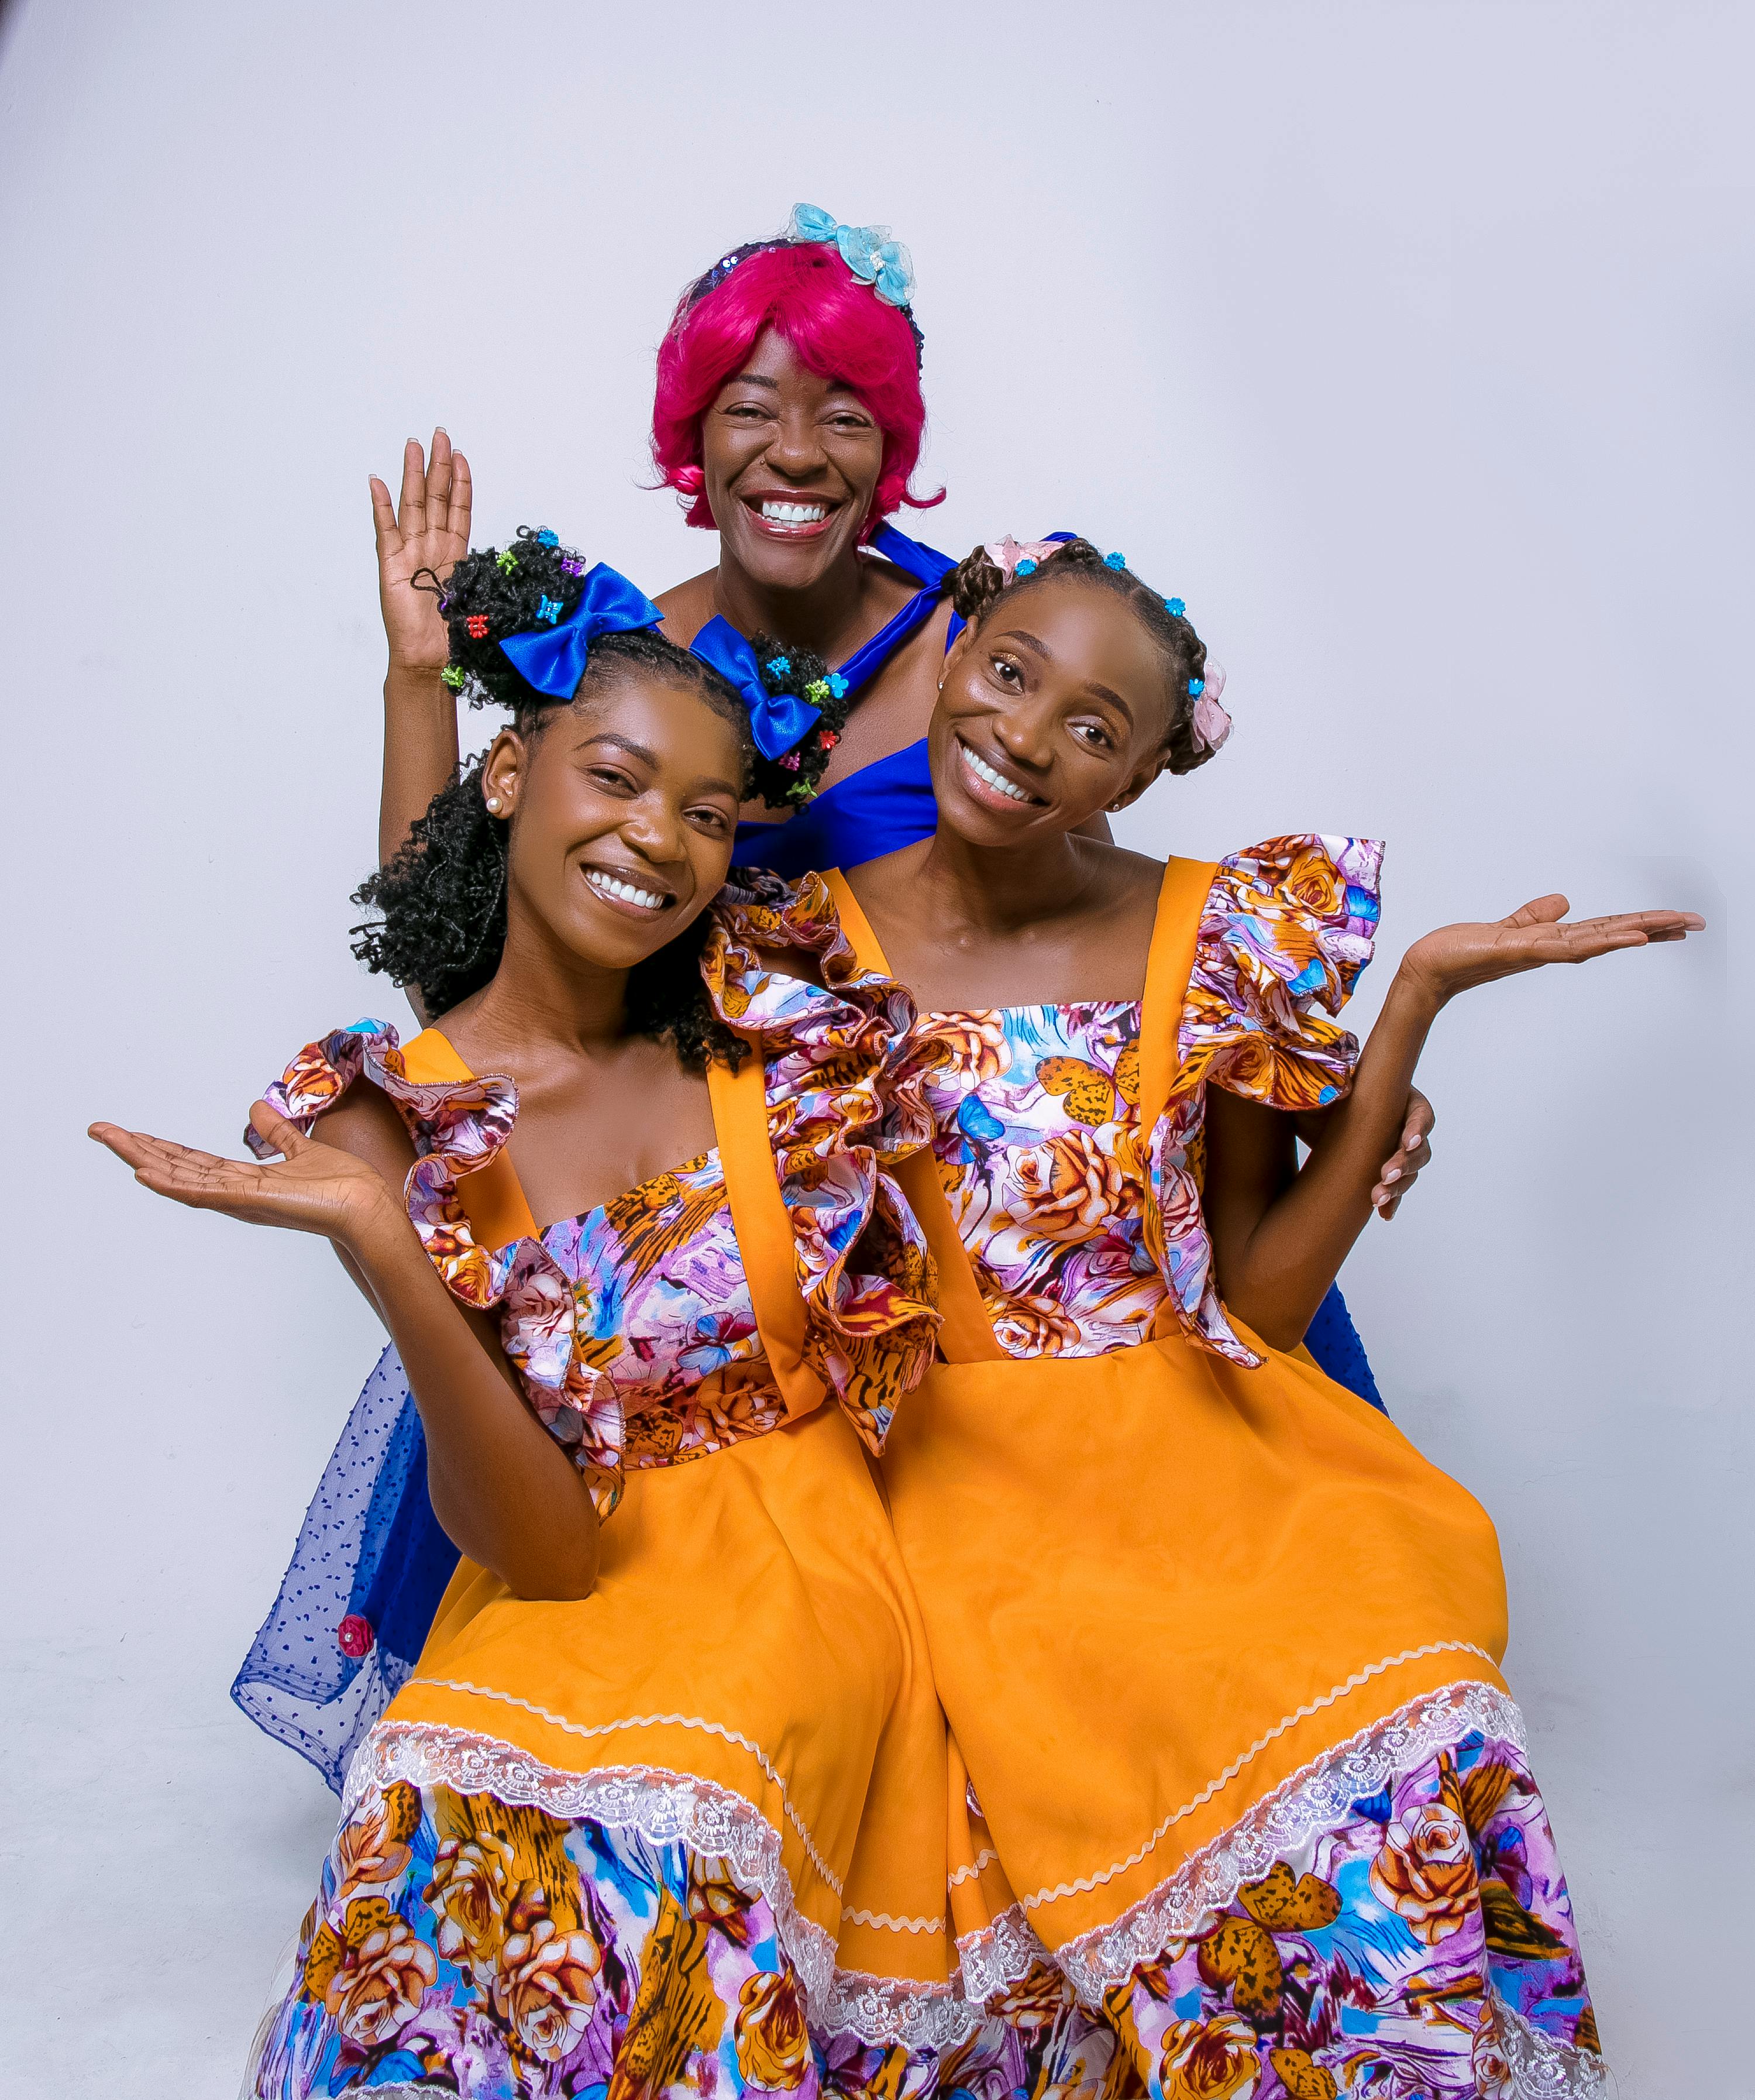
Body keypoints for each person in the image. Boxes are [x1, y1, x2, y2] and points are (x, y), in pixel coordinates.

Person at [92, 531, 979, 2096]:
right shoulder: (396, 1125)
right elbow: (549, 1550)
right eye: (621, 779)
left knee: (668, 1830)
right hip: (566, 1584)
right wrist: (379, 1238)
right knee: (430, 1813)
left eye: (708, 814)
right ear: (511, 776)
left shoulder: (764, 1037)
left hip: (810, 1566)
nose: (663, 837)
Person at [820, 534, 1702, 2097]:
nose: (1028, 733)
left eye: (1097, 725)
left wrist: (1410, 1004)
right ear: (950, 658)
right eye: (1010, 671)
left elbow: (1263, 1302)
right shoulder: (796, 950)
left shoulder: (1216, 932)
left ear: (1150, 774)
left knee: (1378, 1635)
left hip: (1191, 1445)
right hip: (939, 1467)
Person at [370, 207, 1426, 1410]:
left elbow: (1103, 964)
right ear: (696, 435)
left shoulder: (993, 665)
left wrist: (1319, 1094)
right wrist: (419, 681)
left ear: (892, 450)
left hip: (989, 1240)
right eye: (752, 408)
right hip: (741, 1236)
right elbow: (457, 980)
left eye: (846, 416)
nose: (798, 452)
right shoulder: (632, 676)